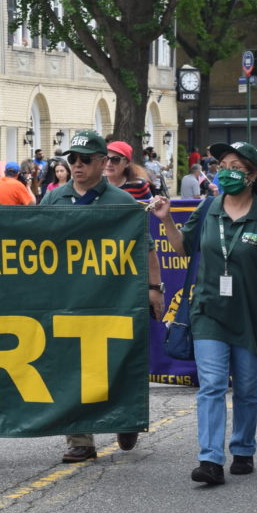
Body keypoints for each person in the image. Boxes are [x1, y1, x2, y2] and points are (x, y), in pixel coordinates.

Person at [151, 142, 257, 485]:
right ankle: (210, 459)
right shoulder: (209, 208)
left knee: (246, 388)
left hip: (252, 315)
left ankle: (243, 447)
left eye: (237, 166)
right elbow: (183, 247)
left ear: (254, 175)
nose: (227, 171)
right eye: (223, 164)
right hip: (208, 312)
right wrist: (167, 219)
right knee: (212, 385)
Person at [40, 130, 161, 462]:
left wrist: (154, 289)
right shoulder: (53, 199)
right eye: (72, 160)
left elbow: (145, 249)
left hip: (114, 297)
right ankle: (80, 439)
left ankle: (125, 418)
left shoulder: (122, 203)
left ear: (103, 162)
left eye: (84, 160)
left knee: (116, 362)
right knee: (70, 368)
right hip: (67, 300)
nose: (76, 166)